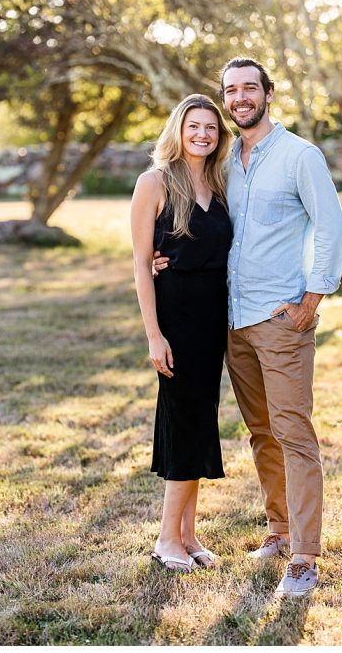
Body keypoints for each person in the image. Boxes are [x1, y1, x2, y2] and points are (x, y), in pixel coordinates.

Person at [158, 57, 342, 596]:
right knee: (262, 432)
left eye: (249, 88)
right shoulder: (224, 163)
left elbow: (331, 230)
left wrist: (310, 301)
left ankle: (306, 558)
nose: (240, 98)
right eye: (231, 91)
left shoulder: (299, 156)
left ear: (268, 93)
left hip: (280, 318)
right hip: (233, 322)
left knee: (294, 434)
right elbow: (200, 226)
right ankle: (279, 528)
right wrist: (159, 257)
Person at [129, 94, 234, 573]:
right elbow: (140, 264)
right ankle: (166, 538)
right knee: (182, 420)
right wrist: (154, 333)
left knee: (198, 419)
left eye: (211, 127)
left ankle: (188, 535)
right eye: (194, 125)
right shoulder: (154, 182)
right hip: (176, 316)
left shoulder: (220, 181)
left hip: (213, 316)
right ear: (179, 128)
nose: (203, 134)